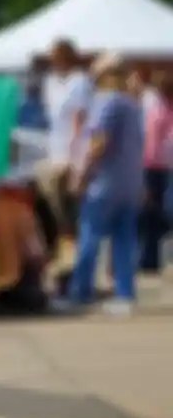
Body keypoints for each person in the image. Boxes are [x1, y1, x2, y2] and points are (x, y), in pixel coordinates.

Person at [62, 53, 145, 316]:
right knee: (124, 240)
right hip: (129, 182)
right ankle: (125, 293)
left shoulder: (106, 102)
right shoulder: (133, 105)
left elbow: (99, 142)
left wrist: (81, 175)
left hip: (105, 182)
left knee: (90, 236)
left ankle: (80, 292)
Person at [38, 39, 94, 293]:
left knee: (69, 220)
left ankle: (72, 277)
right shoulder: (50, 82)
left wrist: (75, 162)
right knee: (56, 218)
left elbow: (79, 120)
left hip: (72, 157)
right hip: (54, 152)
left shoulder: (80, 81)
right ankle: (62, 272)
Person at [141, 72, 173, 273]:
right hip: (154, 167)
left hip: (159, 167)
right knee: (152, 215)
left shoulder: (156, 108)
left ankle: (151, 259)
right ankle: (149, 260)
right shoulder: (155, 107)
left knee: (160, 214)